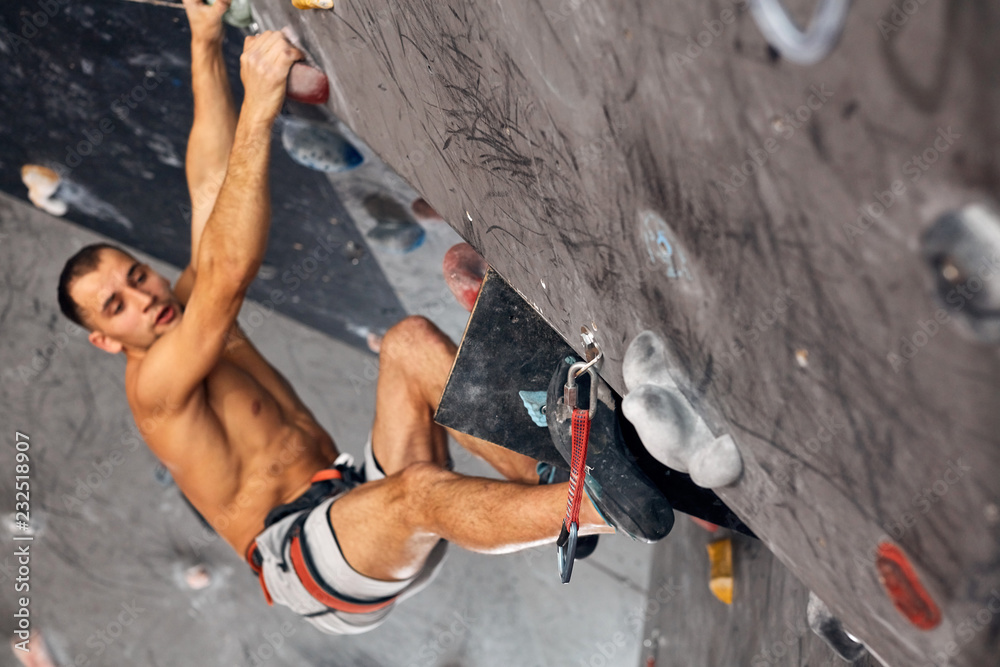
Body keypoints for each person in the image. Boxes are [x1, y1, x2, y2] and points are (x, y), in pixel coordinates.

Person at [55, 0, 669, 635]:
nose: (144, 296)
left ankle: (552, 477)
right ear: (105, 339)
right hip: (305, 560)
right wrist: (261, 101)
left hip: (348, 494)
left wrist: (203, 36)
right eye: (117, 306)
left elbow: (211, 187)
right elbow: (227, 272)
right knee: (420, 494)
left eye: (135, 275)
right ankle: (591, 506)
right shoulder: (155, 384)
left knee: (409, 343)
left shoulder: (182, 304)